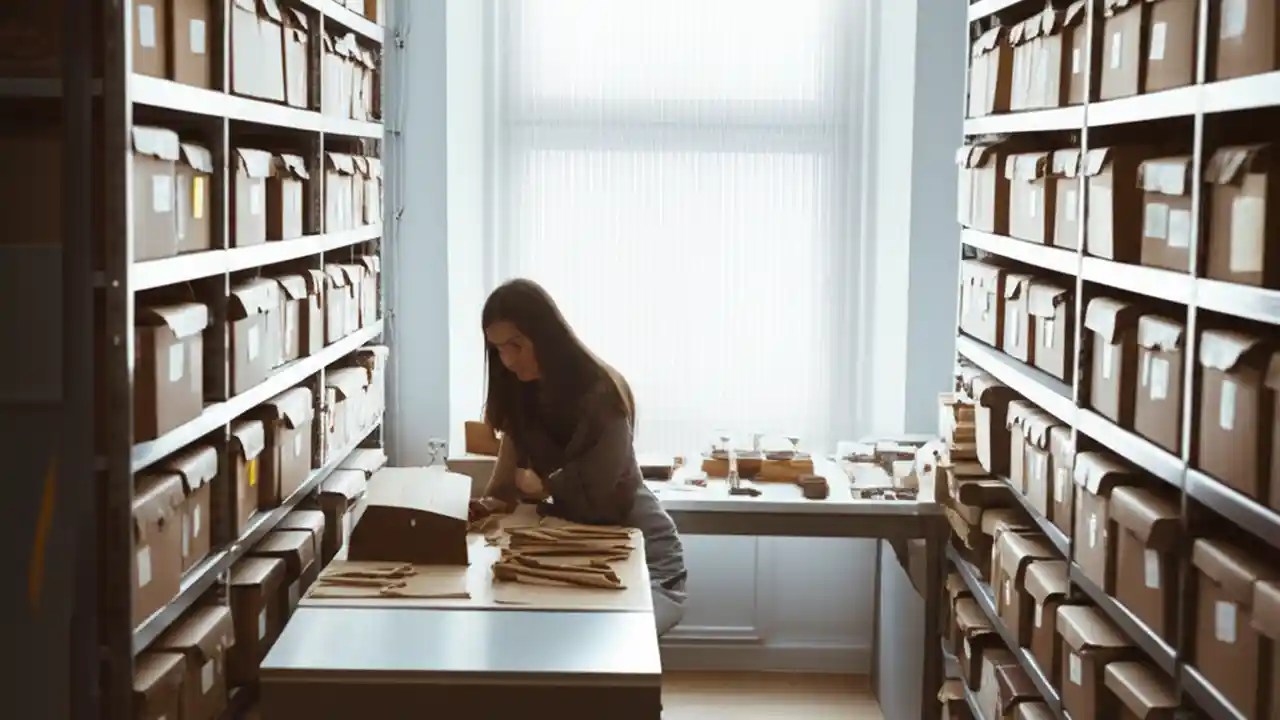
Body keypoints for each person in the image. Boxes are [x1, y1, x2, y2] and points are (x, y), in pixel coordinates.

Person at [468, 278, 688, 635]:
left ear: (546, 336)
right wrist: (485, 506)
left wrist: (544, 488)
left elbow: (596, 496)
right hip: (580, 553)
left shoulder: (602, 395)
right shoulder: (522, 393)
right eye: (497, 349)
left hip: (646, 556)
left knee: (616, 654)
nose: (507, 360)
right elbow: (504, 489)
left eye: (515, 345)